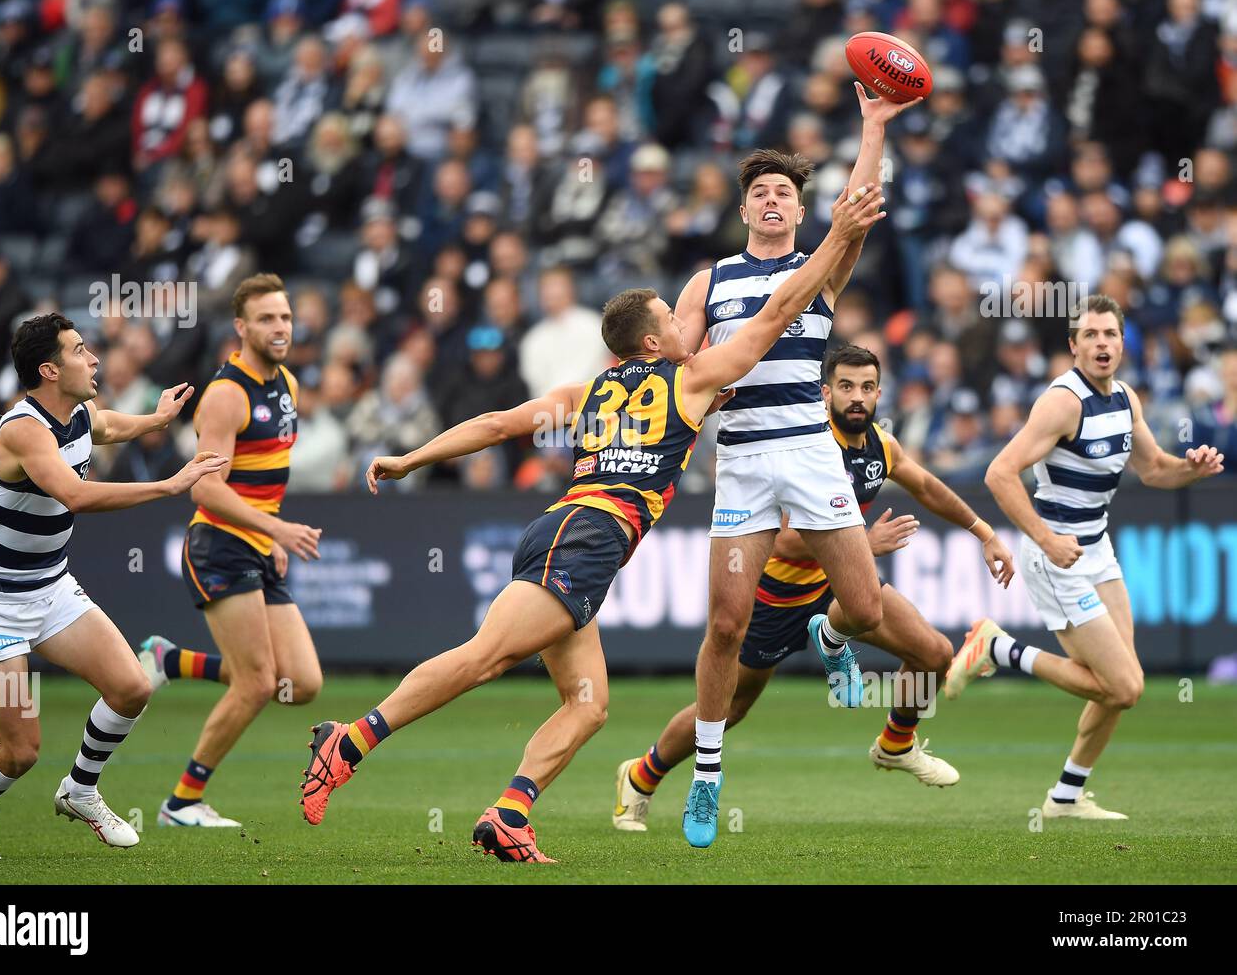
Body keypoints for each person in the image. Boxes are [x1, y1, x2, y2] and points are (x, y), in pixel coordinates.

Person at [297, 185, 887, 864]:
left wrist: (413, 457)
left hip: (564, 532)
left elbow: (498, 424)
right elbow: (782, 310)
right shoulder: (688, 384)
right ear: (650, 340)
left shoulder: (586, 393)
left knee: (588, 704)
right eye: (671, 317)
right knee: (484, 657)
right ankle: (354, 740)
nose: (682, 324)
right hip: (585, 541)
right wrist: (838, 237)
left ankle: (511, 813)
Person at [613, 344, 1015, 830]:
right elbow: (779, 539)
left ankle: (895, 743)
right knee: (728, 707)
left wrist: (985, 533)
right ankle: (640, 775)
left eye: (867, 388)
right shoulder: (803, 445)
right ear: (824, 393)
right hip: (776, 595)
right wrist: (862, 543)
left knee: (932, 653)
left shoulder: (880, 447)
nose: (857, 398)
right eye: (846, 386)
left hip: (841, 582)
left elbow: (927, 488)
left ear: (879, 393)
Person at [670, 84, 915, 848]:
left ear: (801, 211)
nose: (773, 200)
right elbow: (679, 365)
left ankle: (831, 639)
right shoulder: (709, 282)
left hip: (810, 455)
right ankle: (707, 776)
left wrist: (872, 122)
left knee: (868, 610)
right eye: (760, 192)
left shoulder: (824, 269)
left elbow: (861, 201)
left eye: (784, 192)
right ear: (743, 210)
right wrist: (708, 374)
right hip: (742, 460)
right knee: (725, 626)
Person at [0, 313, 225, 860]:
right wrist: (169, 486)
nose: (94, 358)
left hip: (50, 589)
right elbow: (76, 497)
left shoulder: (79, 413)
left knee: (132, 688)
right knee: (22, 751)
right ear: (50, 370)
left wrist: (155, 419)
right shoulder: (23, 430)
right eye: (80, 351)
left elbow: (108, 427)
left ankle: (80, 789)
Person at [947, 295, 1224, 819]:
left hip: (1098, 551)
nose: (1101, 343)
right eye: (1090, 335)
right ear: (1073, 345)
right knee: (1126, 686)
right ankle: (998, 649)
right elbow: (999, 473)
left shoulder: (1125, 399)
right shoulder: (1062, 402)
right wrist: (1046, 540)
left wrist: (1194, 468)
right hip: (1056, 557)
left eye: (1110, 334)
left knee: (1116, 688)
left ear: (1122, 344)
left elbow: (1156, 469)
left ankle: (1066, 797)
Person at [138, 274, 325, 828]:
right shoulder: (226, 394)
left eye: (286, 317)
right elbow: (204, 486)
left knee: (302, 683)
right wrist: (277, 528)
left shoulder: (287, 381)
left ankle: (170, 660)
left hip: (259, 544)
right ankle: (182, 802)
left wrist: (271, 534)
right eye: (267, 319)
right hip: (219, 544)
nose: (280, 327)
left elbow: (269, 471)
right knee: (258, 683)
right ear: (241, 327)